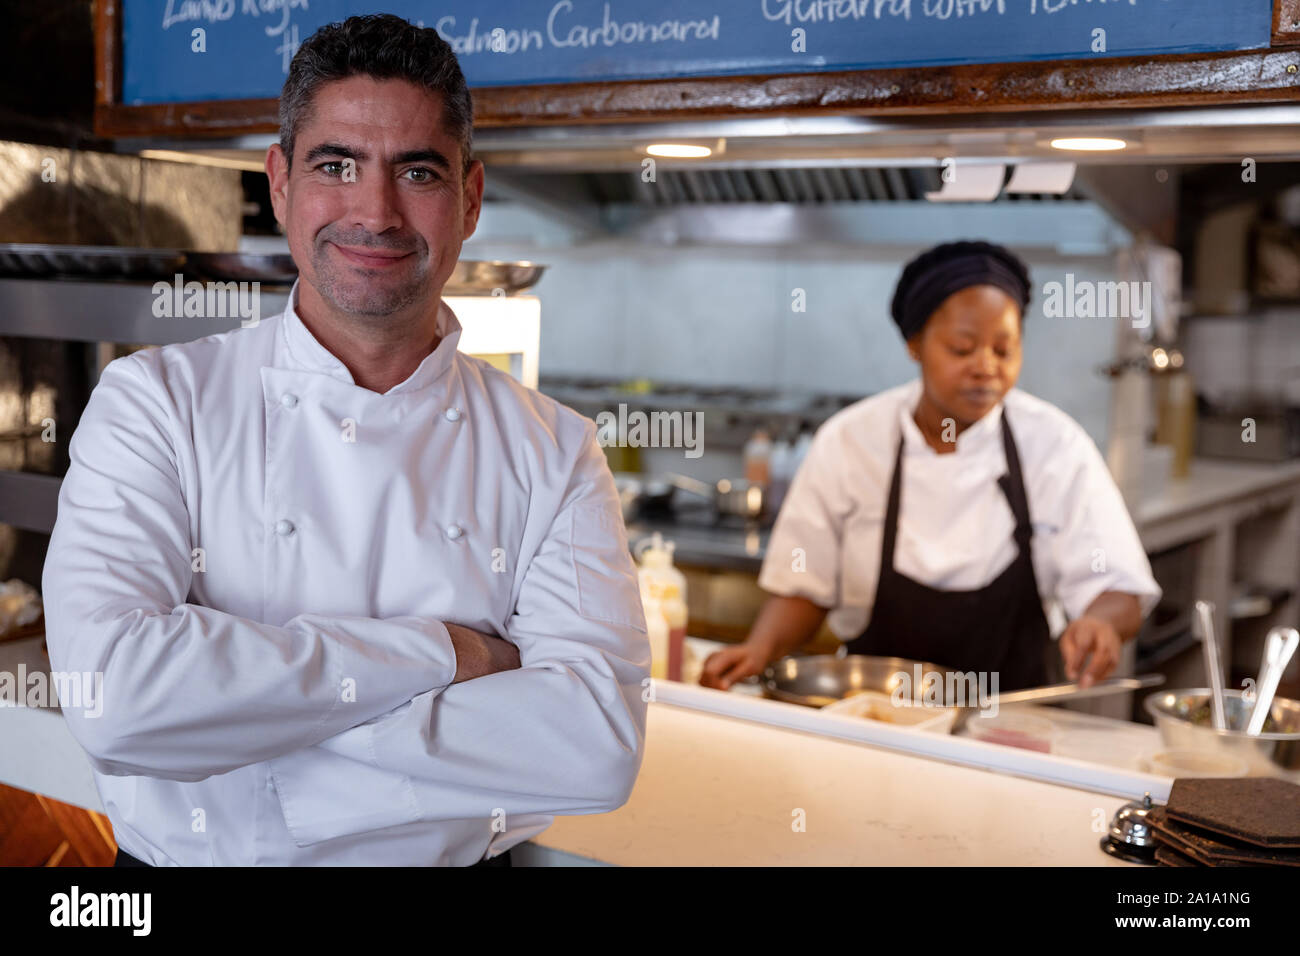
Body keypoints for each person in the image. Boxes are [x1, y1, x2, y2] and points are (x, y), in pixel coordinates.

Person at [41, 14, 649, 867]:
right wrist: (451, 652)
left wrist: (259, 742)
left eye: (418, 171)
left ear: (469, 198)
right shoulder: (156, 405)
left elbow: (595, 745)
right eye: (337, 165)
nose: (376, 210)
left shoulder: (553, 450)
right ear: (281, 183)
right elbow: (117, 700)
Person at [701, 240, 1160, 694]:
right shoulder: (851, 441)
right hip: (874, 713)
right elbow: (806, 584)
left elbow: (1117, 587)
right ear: (915, 345)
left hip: (1012, 721)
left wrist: (1100, 623)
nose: (985, 367)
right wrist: (760, 648)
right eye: (962, 349)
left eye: (1004, 350)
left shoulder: (1055, 445)